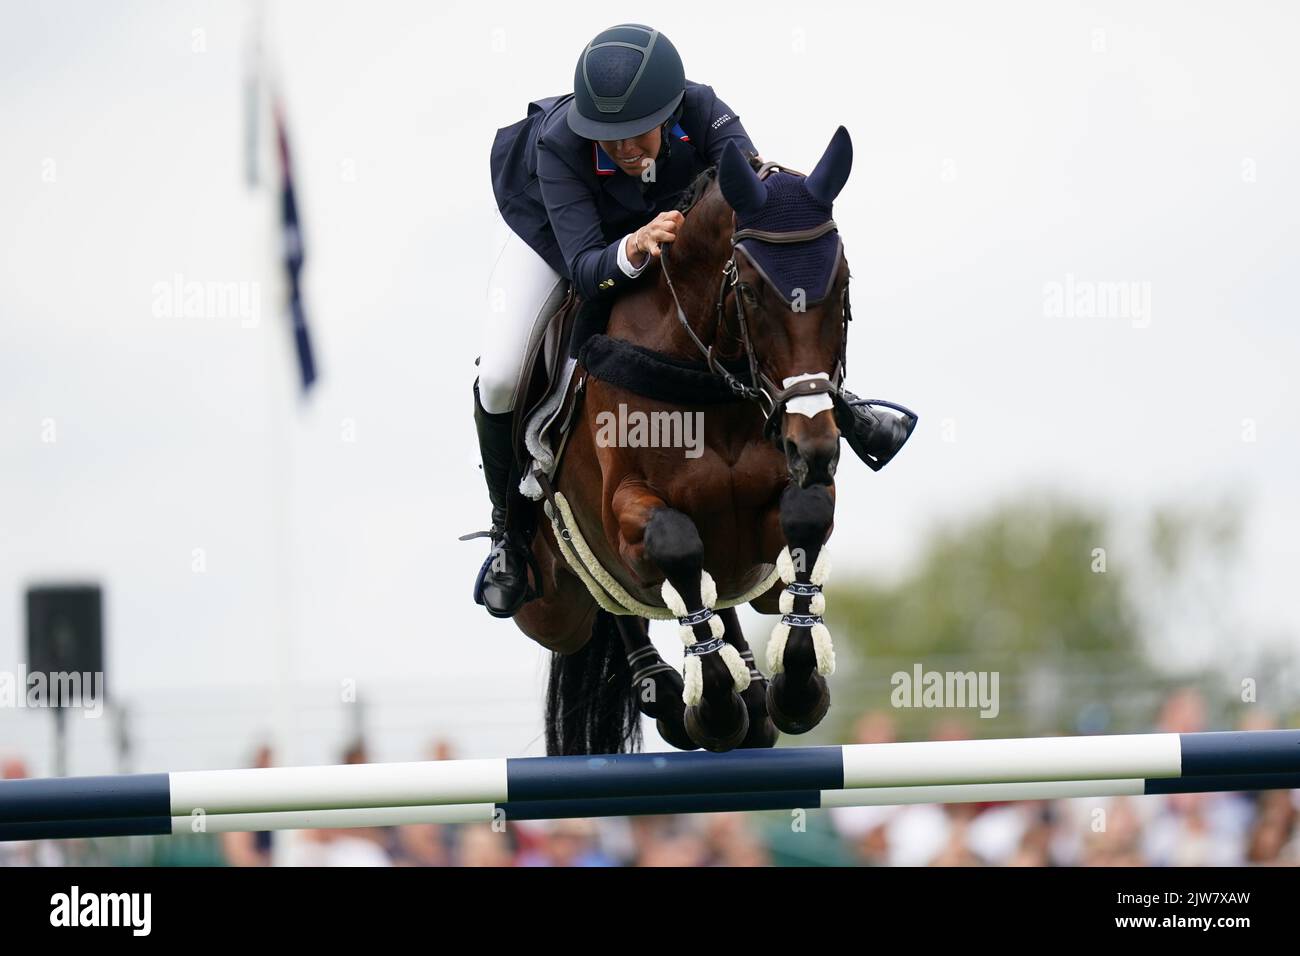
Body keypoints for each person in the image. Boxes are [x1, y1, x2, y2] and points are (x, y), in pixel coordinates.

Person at [473, 23, 913, 618]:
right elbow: (583, 270)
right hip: (559, 235)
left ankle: (835, 397)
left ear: (669, 111)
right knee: (500, 373)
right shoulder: (560, 146)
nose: (625, 150)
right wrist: (630, 250)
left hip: (665, 235)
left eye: (637, 135)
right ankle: (509, 530)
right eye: (610, 140)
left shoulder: (704, 112)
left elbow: (756, 210)